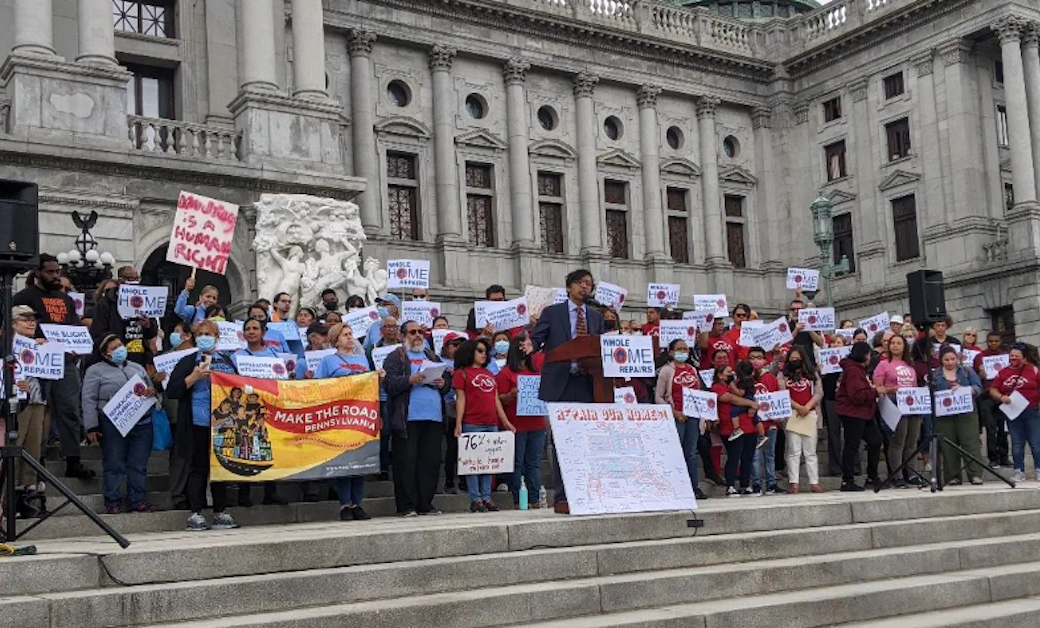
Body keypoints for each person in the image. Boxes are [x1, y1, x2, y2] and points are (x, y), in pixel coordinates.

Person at [13, 254, 94, 479]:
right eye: (50, 272)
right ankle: (35, 461)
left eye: (57, 271)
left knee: (69, 409)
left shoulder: (65, 299)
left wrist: (78, 345)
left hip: (65, 362)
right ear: (37, 272)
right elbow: (15, 327)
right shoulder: (24, 297)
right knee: (36, 412)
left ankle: (73, 459)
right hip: (36, 363)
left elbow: (75, 327)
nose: (56, 276)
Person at [530, 269, 604, 514]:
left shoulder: (595, 316)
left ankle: (586, 491)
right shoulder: (553, 313)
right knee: (562, 442)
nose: (586, 288)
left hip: (587, 384)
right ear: (569, 286)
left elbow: (601, 348)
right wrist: (529, 346)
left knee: (586, 441)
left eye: (589, 284)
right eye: (581, 283)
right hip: (561, 383)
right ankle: (563, 496)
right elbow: (537, 342)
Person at [166, 319, 240, 531]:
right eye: (200, 334)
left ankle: (220, 511)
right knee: (197, 468)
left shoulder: (226, 361)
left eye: (208, 334)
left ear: (217, 338)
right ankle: (196, 513)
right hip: (197, 423)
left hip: (223, 424)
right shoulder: (188, 361)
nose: (204, 337)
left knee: (220, 469)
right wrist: (192, 378)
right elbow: (172, 391)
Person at [81, 334, 157, 514]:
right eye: (113, 348)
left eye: (120, 345)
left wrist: (153, 391)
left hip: (141, 422)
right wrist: (91, 426)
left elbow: (151, 390)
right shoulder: (94, 371)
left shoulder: (137, 367)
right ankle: (113, 500)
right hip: (112, 424)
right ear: (105, 354)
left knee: (138, 464)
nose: (119, 350)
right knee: (114, 463)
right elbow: (88, 399)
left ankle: (138, 500)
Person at [383, 320, 451, 516]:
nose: (418, 335)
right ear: (403, 336)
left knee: (429, 463)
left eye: (421, 332)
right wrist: (409, 380)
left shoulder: (432, 356)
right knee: (406, 462)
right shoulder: (396, 356)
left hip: (434, 417)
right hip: (407, 419)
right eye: (412, 332)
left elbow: (447, 382)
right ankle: (406, 506)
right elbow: (388, 384)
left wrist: (441, 383)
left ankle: (425, 504)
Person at [315, 323, 378, 520]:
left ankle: (357, 503)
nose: (350, 338)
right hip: (338, 416)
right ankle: (345, 504)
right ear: (335, 340)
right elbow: (318, 386)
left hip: (360, 416)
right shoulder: (328, 361)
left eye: (351, 334)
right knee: (344, 462)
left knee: (359, 461)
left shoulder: (362, 359)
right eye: (345, 335)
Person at [231, 318, 290, 507]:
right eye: (247, 329)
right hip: (246, 411)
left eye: (255, 328)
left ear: (263, 332)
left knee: (269, 448)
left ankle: (270, 492)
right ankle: (244, 493)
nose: (251, 332)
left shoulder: (274, 355)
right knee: (245, 448)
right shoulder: (236, 356)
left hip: (269, 410)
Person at [453, 338, 515, 512]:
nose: (483, 354)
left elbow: (495, 400)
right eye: (479, 351)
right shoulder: (462, 373)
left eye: (484, 351)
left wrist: (505, 421)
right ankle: (476, 498)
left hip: (491, 422)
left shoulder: (489, 374)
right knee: (473, 463)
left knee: (489, 463)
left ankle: (486, 497)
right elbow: (461, 399)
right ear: (470, 352)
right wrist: (458, 423)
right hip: (472, 422)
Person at [495, 332, 545, 508]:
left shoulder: (537, 371)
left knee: (534, 463)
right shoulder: (505, 373)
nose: (530, 349)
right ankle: (518, 500)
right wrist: (511, 395)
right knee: (517, 463)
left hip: (537, 423)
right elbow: (498, 399)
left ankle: (535, 498)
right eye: (527, 345)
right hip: (516, 425)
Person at [655, 339, 707, 500]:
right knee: (675, 452)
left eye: (685, 349)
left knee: (691, 452)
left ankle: (693, 487)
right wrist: (674, 412)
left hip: (693, 416)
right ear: (670, 352)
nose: (683, 351)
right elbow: (658, 396)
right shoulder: (666, 371)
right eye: (679, 349)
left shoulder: (692, 370)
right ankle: (675, 486)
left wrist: (703, 417)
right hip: (676, 416)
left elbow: (699, 394)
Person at [9, 306, 47, 518]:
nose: (32, 323)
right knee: (14, 446)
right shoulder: (7, 345)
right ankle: (8, 496)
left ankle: (28, 494)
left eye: (34, 319)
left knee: (33, 450)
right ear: (13, 323)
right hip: (16, 401)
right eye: (26, 319)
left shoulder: (38, 345)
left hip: (36, 398)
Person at [873, 334, 922, 487]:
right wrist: (891, 389)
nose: (895, 346)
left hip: (912, 404)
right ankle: (897, 475)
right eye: (892, 343)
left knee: (912, 441)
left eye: (898, 343)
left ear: (904, 346)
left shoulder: (910, 364)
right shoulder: (883, 365)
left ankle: (912, 474)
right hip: (894, 404)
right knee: (897, 441)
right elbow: (878, 388)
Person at [933, 344, 984, 485]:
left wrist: (965, 390)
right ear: (941, 360)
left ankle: (975, 474)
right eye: (946, 360)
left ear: (957, 358)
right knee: (948, 445)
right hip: (945, 416)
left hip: (966, 413)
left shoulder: (967, 371)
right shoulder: (935, 375)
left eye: (952, 359)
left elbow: (978, 388)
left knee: (970, 443)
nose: (950, 362)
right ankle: (953, 476)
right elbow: (930, 393)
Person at [90, 266, 159, 368]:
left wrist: (147, 325)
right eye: (130, 279)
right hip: (115, 359)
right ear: (120, 281)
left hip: (139, 358)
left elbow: (152, 333)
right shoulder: (106, 304)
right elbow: (98, 332)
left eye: (137, 279)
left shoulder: (144, 301)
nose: (134, 282)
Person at [989, 343, 1040, 483]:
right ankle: (1019, 471)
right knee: (1017, 443)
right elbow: (993, 389)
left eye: (1017, 356)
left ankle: (1039, 469)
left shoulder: (1033, 370)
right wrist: (1001, 397)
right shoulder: (1003, 372)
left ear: (1024, 358)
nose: (1014, 358)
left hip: (1032, 411)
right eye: (1011, 356)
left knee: (1035, 443)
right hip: (1013, 412)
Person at [836, 342, 881, 492]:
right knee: (852, 445)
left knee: (875, 441)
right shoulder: (853, 371)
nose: (869, 357)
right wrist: (875, 391)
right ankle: (847, 480)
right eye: (868, 354)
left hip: (864, 413)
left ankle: (872, 476)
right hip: (852, 412)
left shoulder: (859, 370)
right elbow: (857, 396)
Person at [779, 346, 824, 493]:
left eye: (798, 359)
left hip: (810, 415)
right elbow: (782, 393)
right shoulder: (783, 375)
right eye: (792, 359)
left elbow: (818, 393)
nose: (795, 361)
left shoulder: (812, 374)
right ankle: (794, 483)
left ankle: (814, 482)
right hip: (792, 415)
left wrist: (807, 406)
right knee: (793, 450)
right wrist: (798, 407)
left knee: (810, 451)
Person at [712, 363, 758, 496]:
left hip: (748, 426)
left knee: (747, 457)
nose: (731, 374)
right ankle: (730, 485)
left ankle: (745, 485)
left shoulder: (737, 384)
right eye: (728, 372)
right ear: (720, 375)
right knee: (734, 456)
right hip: (729, 428)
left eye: (732, 371)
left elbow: (744, 394)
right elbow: (731, 399)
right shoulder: (717, 387)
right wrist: (751, 404)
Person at [163, 321, 194, 510]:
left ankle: (194, 495)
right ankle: (178, 495)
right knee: (179, 457)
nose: (173, 335)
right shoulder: (166, 357)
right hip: (175, 413)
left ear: (188, 335)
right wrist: (157, 380)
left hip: (197, 414)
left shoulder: (200, 356)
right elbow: (167, 389)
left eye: (177, 331)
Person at [975, 331, 1011, 468]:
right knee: (990, 428)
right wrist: (981, 373)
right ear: (987, 341)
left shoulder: (1005, 356)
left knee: (1003, 428)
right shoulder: (980, 356)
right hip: (986, 396)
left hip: (1002, 396)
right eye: (991, 341)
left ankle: (1004, 456)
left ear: (1000, 341)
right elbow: (976, 373)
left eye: (996, 341)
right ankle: (993, 458)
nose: (993, 343)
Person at [748, 347, 779, 494]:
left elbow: (777, 399)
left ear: (765, 359)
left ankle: (772, 483)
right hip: (753, 423)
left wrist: (777, 415)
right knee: (754, 456)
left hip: (770, 423)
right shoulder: (745, 379)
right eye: (752, 357)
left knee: (769, 455)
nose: (756, 360)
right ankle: (757, 484)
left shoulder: (770, 378)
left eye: (759, 357)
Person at [823, 334, 852, 477]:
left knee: (850, 433)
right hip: (831, 399)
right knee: (833, 434)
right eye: (833, 342)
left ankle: (853, 466)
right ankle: (835, 467)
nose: (835, 345)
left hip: (847, 400)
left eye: (838, 342)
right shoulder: (825, 361)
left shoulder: (849, 362)